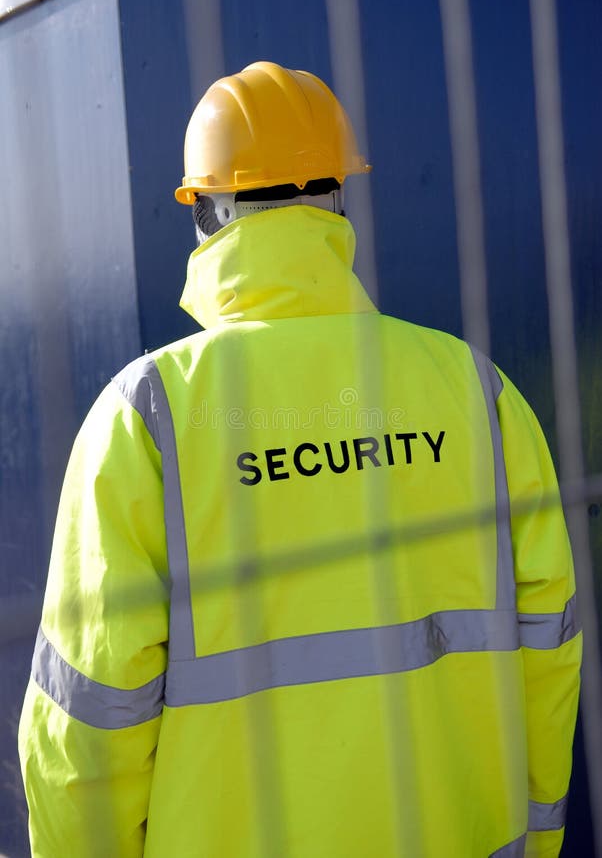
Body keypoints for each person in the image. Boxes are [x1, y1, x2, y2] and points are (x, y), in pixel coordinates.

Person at [19, 61, 581, 858]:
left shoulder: (146, 417)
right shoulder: (473, 389)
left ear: (207, 212)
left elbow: (87, 727)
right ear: (338, 200)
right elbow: (548, 653)